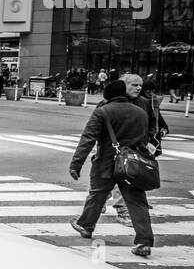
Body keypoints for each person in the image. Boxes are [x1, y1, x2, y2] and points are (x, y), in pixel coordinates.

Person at [69, 79, 155, 257]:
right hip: (132, 163)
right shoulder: (140, 112)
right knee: (138, 201)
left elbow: (88, 139)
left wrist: (76, 164)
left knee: (97, 194)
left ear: (107, 96)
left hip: (106, 162)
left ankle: (86, 226)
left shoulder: (102, 111)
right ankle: (144, 241)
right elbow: (144, 138)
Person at [110, 74, 167, 227]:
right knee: (119, 176)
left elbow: (153, 121)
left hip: (138, 147)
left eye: (139, 85)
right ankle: (122, 211)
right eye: (134, 85)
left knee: (130, 176)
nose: (139, 88)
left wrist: (149, 139)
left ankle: (123, 206)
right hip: (116, 147)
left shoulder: (144, 103)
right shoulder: (112, 102)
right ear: (123, 85)